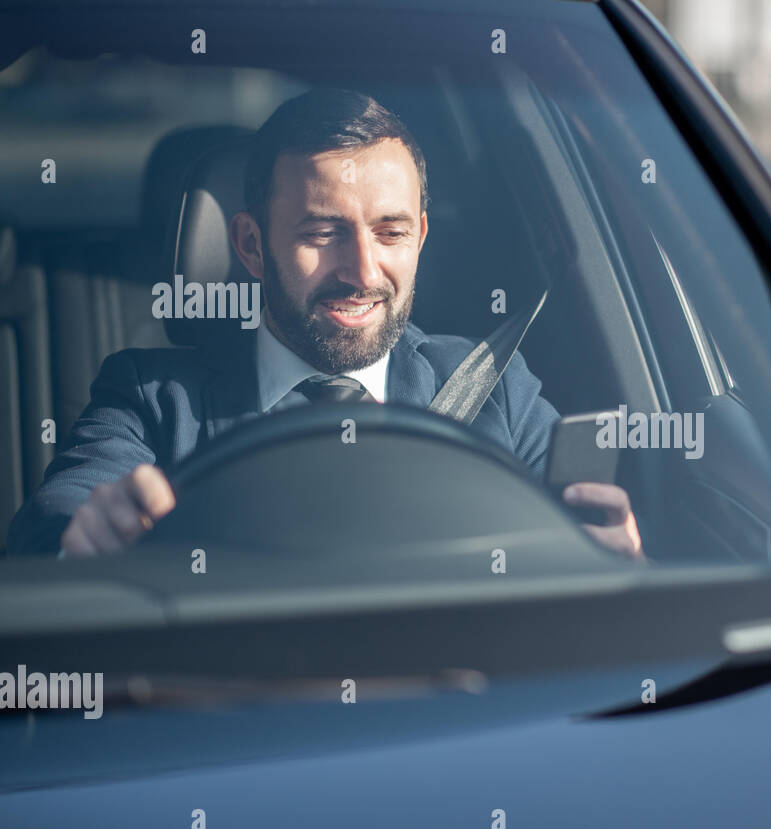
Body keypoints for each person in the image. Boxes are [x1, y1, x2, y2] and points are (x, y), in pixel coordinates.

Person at [5, 89, 642, 559]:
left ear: (420, 236)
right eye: (321, 233)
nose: (362, 272)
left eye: (390, 232)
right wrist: (81, 542)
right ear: (251, 247)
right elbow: (57, 516)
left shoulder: (495, 388)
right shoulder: (153, 399)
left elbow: (576, 567)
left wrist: (616, 564)